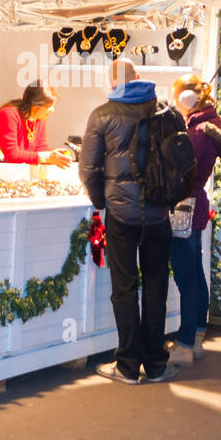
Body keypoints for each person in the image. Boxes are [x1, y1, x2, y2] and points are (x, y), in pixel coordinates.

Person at [81, 59, 178, 384]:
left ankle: (127, 366)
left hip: (121, 215)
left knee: (124, 289)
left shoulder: (102, 115)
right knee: (156, 286)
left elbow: (89, 169)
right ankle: (156, 364)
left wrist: (100, 201)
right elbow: (180, 162)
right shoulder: (166, 111)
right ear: (138, 78)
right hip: (158, 214)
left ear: (111, 83)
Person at [166, 76, 221, 367]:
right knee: (195, 273)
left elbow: (181, 171)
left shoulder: (197, 130)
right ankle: (195, 337)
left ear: (186, 97)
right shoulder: (211, 125)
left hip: (184, 207)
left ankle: (184, 344)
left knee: (187, 278)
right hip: (195, 207)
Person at [0, 83, 72, 167]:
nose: (52, 110)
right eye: (49, 106)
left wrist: (56, 156)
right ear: (36, 106)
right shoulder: (8, 115)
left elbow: (41, 149)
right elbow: (11, 155)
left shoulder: (39, 118)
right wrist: (47, 157)